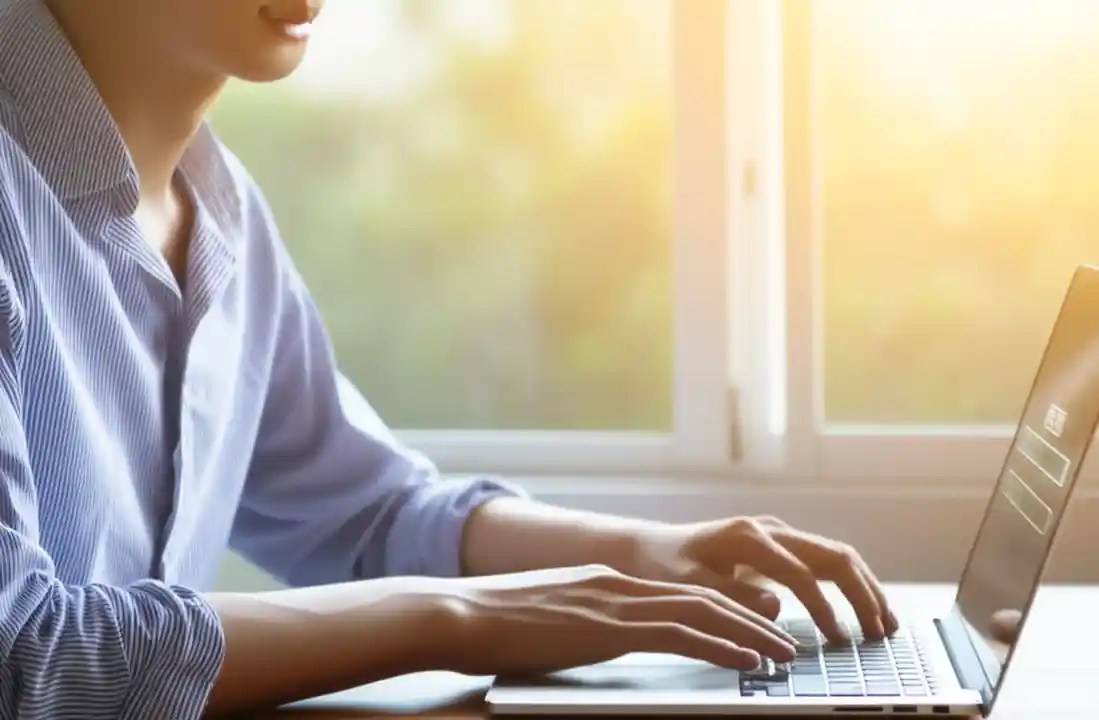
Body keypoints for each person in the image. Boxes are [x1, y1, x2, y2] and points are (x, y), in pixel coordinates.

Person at [0, 0, 897, 716]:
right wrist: (459, 619)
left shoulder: (219, 205)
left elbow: (368, 516)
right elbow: (22, 657)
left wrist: (638, 553)